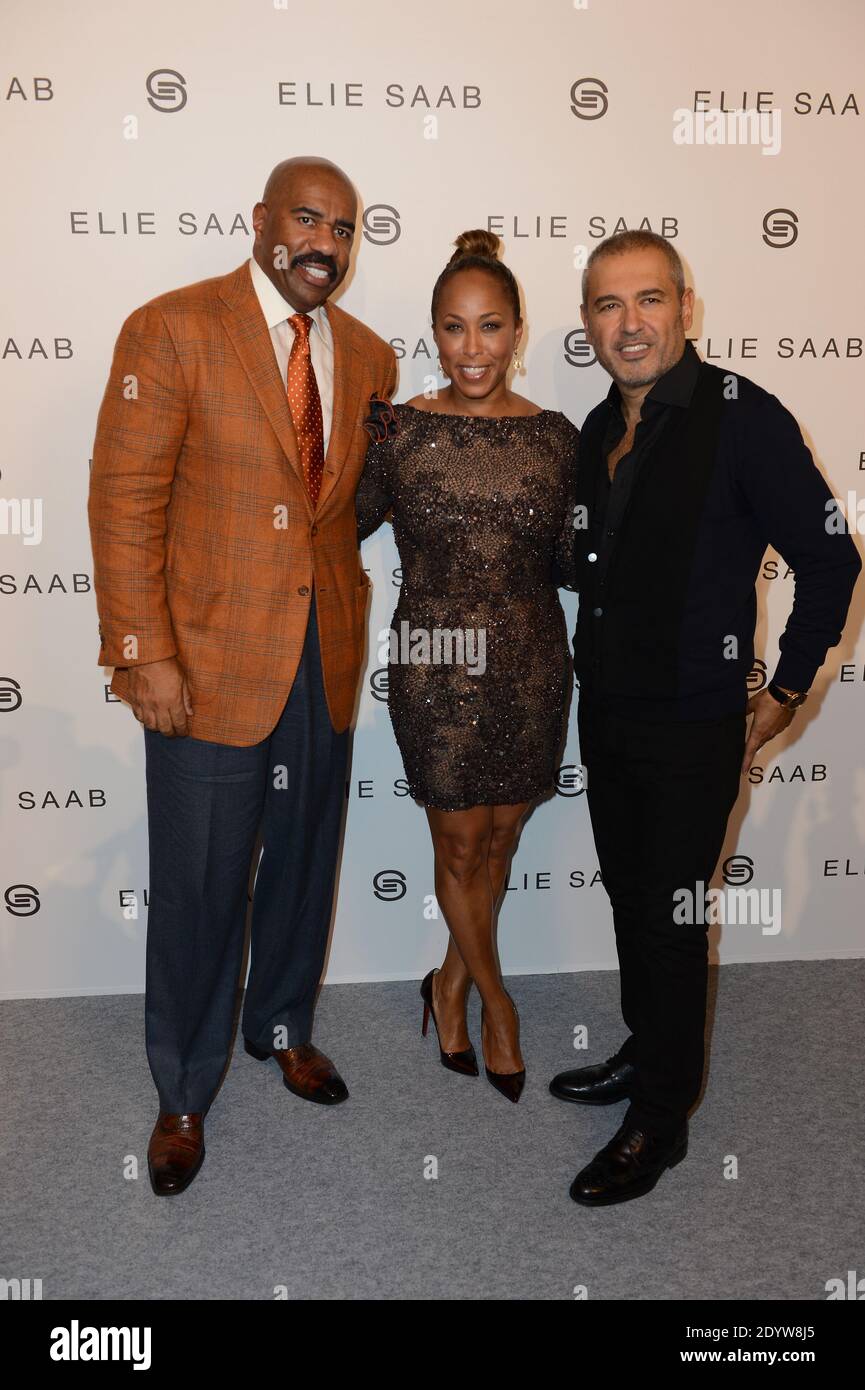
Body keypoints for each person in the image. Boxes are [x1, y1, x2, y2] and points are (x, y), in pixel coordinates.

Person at [88, 156, 397, 1196]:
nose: (325, 241)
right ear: (261, 221)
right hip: (206, 664)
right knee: (200, 885)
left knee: (304, 861)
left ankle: (281, 1026)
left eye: (344, 227)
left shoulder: (369, 357)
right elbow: (124, 502)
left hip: (324, 654)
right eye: (307, 219)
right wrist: (145, 654)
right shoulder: (171, 327)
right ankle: (182, 1088)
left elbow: (347, 510)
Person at [550, 230, 861, 1205]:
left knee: (672, 918)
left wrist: (783, 693)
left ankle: (661, 1120)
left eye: (648, 300)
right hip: (605, 710)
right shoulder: (600, 425)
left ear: (685, 307)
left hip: (692, 723)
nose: (629, 323)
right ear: (589, 323)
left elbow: (832, 562)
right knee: (630, 899)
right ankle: (649, 1053)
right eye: (608, 305)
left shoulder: (743, 417)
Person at [356, 229, 580, 1103]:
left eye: (490, 327)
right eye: (454, 328)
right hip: (433, 661)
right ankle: (499, 1004)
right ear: (434, 333)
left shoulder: (559, 440)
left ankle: (447, 982)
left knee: (500, 837)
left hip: (530, 661)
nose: (472, 348)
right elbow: (340, 527)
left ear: (518, 332)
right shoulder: (400, 431)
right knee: (457, 840)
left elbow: (570, 563)